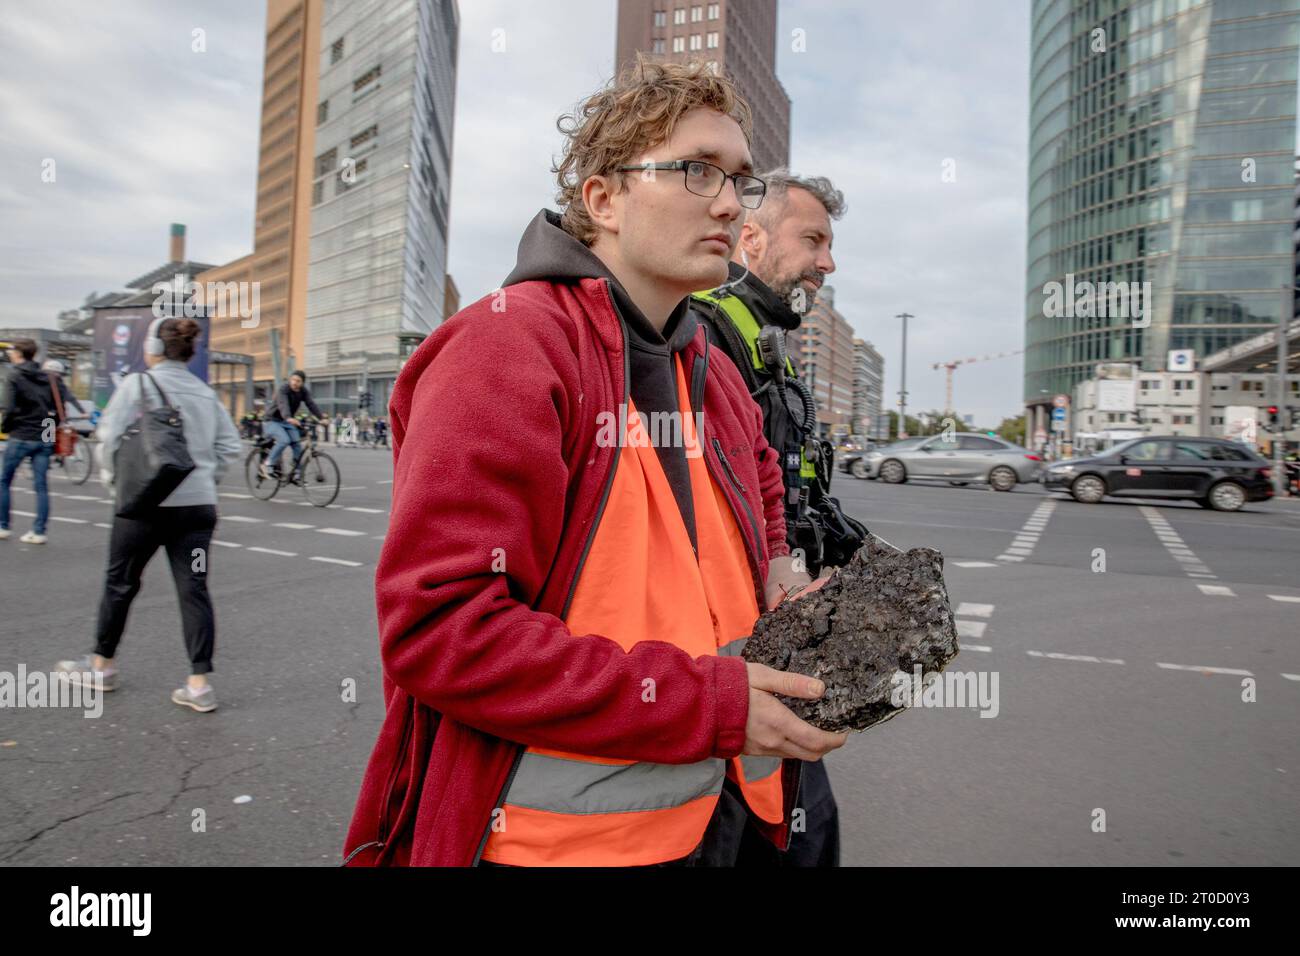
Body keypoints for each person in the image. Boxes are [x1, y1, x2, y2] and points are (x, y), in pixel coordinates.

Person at [343, 58, 846, 868]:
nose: (727, 201)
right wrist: (711, 703)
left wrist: (779, 569)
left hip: (736, 805)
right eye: (695, 170)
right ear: (603, 199)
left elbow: (760, 483)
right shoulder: (505, 347)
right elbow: (441, 631)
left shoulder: (710, 368)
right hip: (565, 843)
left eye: (740, 180)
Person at [688, 169, 858, 867]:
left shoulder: (769, 343)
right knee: (786, 835)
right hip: (729, 668)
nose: (828, 261)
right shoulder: (703, 336)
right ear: (750, 238)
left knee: (802, 831)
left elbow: (794, 489)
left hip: (775, 644)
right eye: (813, 239)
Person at [53, 317, 243, 712]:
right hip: (197, 511)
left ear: (153, 349)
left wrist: (114, 485)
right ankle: (198, 684)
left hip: (142, 508)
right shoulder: (205, 393)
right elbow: (229, 447)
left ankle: (102, 666)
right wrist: (205, 478)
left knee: (120, 582)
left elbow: (107, 438)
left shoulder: (137, 385)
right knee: (194, 588)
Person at [1, 339, 82, 544]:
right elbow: (56, 408)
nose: (10, 354)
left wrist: (5, 428)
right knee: (41, 486)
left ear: (19, 353)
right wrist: (48, 431)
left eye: (12, 351)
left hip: (21, 434)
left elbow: (9, 409)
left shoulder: (14, 375)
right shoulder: (50, 378)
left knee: (4, 481)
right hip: (44, 435)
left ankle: (3, 526)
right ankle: (39, 532)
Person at [260, 370, 324, 482]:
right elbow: (283, 404)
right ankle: (267, 464)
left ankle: (297, 474)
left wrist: (322, 418)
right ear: (290, 380)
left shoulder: (303, 391)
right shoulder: (283, 389)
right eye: (293, 380)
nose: (294, 382)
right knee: (284, 440)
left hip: (286, 421)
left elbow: (311, 404)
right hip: (271, 420)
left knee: (296, 442)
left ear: (302, 383)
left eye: (298, 381)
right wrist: (288, 417)